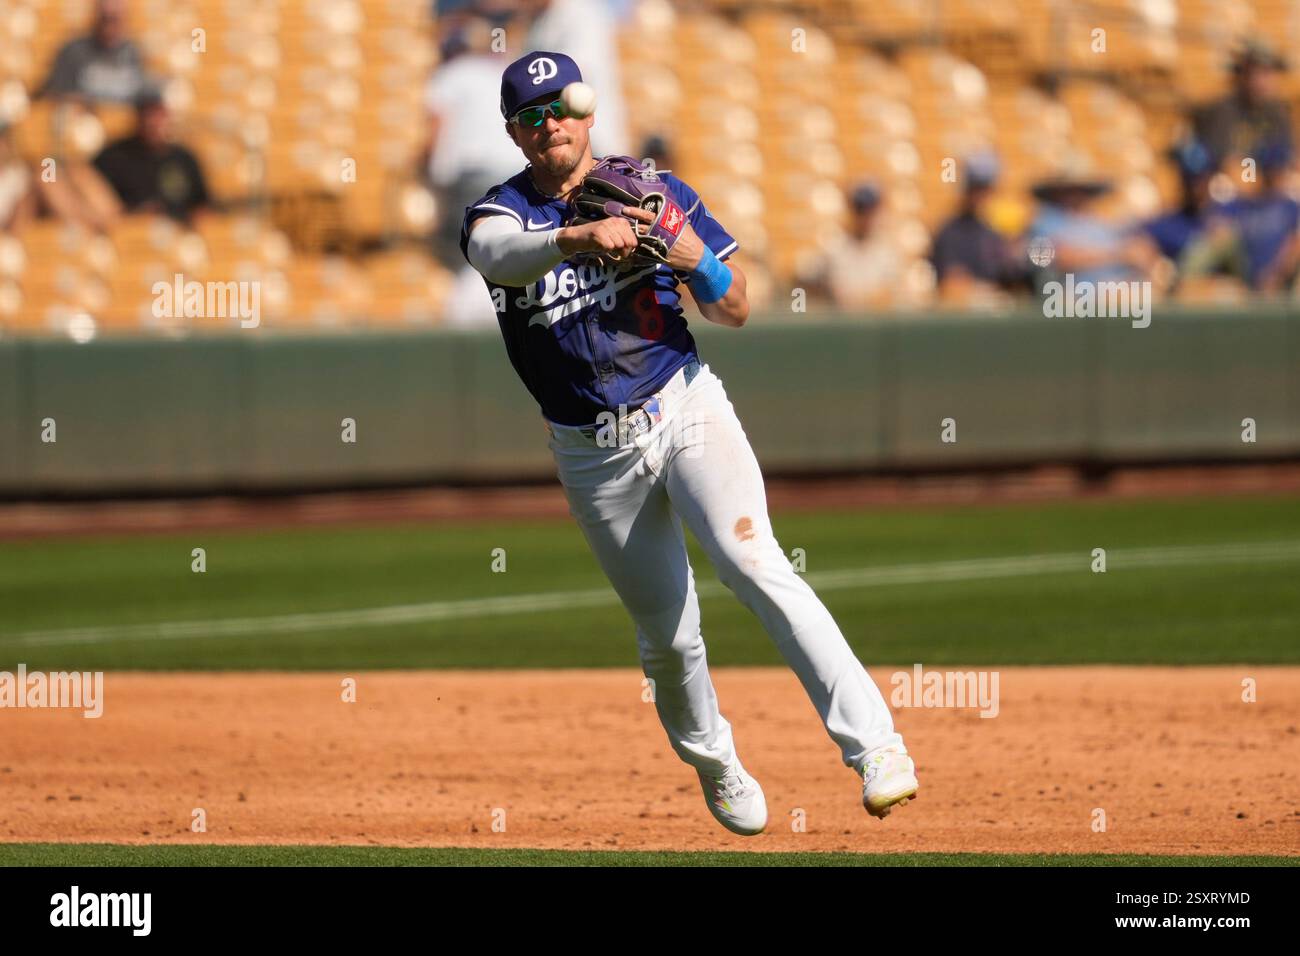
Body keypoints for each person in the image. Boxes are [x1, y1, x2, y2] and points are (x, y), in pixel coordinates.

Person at [460, 52, 918, 836]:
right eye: (531, 118)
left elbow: (736, 307)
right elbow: (496, 257)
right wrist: (578, 238)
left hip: (685, 405)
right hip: (592, 451)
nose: (550, 127)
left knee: (753, 560)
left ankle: (876, 746)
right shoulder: (500, 213)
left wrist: (692, 257)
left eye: (560, 109)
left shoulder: (652, 189)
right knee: (669, 637)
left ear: (586, 111)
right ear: (514, 133)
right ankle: (715, 761)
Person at [92, 89, 211, 224]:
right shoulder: (112, 157)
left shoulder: (184, 158)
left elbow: (202, 206)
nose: (155, 123)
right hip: (130, 231)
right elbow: (102, 206)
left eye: (160, 115)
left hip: (179, 232)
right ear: (139, 117)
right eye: (149, 114)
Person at [930, 152, 1022, 300]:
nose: (981, 195)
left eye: (986, 188)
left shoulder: (998, 231)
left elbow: (1016, 283)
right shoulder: (950, 232)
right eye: (976, 188)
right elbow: (952, 285)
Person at [799, 182, 906, 309]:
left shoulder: (888, 252)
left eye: (870, 210)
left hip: (876, 323)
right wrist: (828, 292)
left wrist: (867, 299)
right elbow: (803, 283)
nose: (865, 217)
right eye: (860, 209)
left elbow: (893, 293)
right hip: (842, 323)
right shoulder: (834, 247)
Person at [1193, 39, 1292, 167]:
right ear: (1242, 75)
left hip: (1266, 180)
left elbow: (1287, 158)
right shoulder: (1222, 111)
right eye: (1255, 73)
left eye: (1267, 73)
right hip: (1231, 181)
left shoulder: (1278, 111)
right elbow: (1227, 164)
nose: (1261, 81)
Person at [1216, 141, 1300, 292]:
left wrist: (1276, 274)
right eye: (1269, 170)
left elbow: (1295, 244)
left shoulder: (1290, 206)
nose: (1274, 175)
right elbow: (1217, 230)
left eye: (1278, 169)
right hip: (1245, 284)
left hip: (1282, 285)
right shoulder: (1240, 204)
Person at [37, 0, 153, 104]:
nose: (110, 27)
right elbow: (54, 94)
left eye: (115, 19)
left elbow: (140, 94)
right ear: (95, 16)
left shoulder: (133, 51)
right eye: (105, 19)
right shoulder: (73, 50)